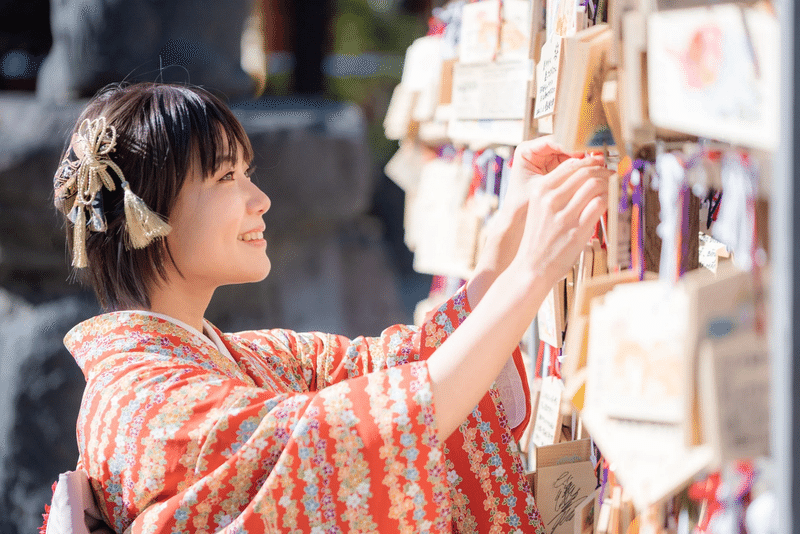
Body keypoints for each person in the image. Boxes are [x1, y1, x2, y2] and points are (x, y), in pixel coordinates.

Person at [44, 82, 611, 533]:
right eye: (226, 176)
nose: (259, 200)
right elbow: (369, 434)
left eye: (248, 173)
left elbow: (399, 371)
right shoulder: (152, 407)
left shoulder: (217, 360)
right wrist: (532, 272)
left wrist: (502, 250)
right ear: (151, 213)